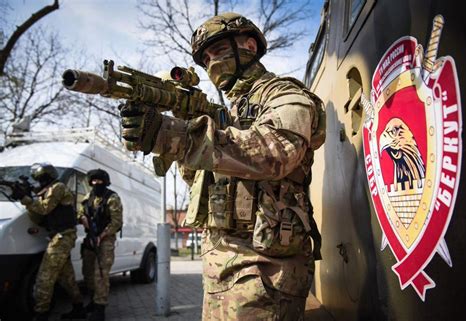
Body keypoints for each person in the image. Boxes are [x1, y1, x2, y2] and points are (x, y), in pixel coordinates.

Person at [119, 12, 325, 320]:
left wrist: (175, 136)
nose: (211, 62)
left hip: (263, 269)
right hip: (220, 262)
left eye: (217, 50)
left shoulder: (283, 93)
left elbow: (277, 153)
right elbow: (199, 181)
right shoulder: (227, 113)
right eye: (205, 58)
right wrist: (181, 127)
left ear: (249, 46)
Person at [17, 163, 85, 321]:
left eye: (40, 179)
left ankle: (41, 314)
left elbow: (44, 209)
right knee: (66, 278)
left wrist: (25, 198)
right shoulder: (46, 191)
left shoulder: (58, 187)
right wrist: (26, 197)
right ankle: (79, 308)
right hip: (59, 236)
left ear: (45, 178)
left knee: (45, 276)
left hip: (63, 236)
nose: (38, 183)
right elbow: (38, 217)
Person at [77, 169, 123, 321]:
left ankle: (100, 308)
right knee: (88, 273)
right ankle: (92, 301)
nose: (96, 184)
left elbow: (116, 222)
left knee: (101, 275)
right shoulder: (88, 197)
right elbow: (80, 211)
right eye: (94, 181)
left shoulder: (112, 198)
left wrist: (102, 236)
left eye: (99, 181)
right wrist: (82, 217)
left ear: (105, 182)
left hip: (106, 240)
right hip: (90, 239)